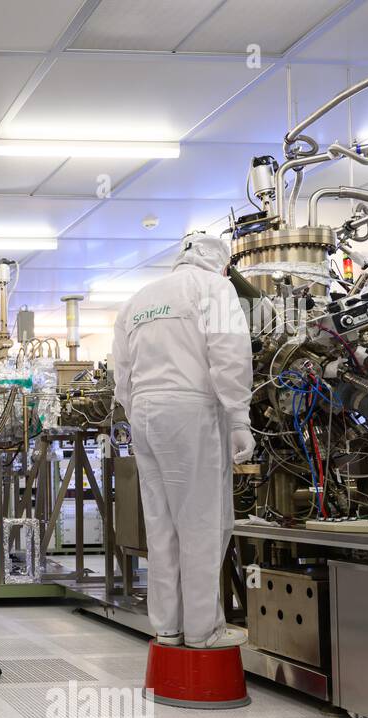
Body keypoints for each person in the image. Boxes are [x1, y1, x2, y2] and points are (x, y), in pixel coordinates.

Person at [111, 233, 254, 649]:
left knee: (161, 526)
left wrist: (136, 407)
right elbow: (230, 354)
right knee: (203, 522)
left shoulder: (139, 298)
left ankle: (167, 627)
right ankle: (202, 630)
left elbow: (121, 372)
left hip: (143, 411)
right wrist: (239, 416)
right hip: (191, 409)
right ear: (220, 263)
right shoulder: (215, 287)